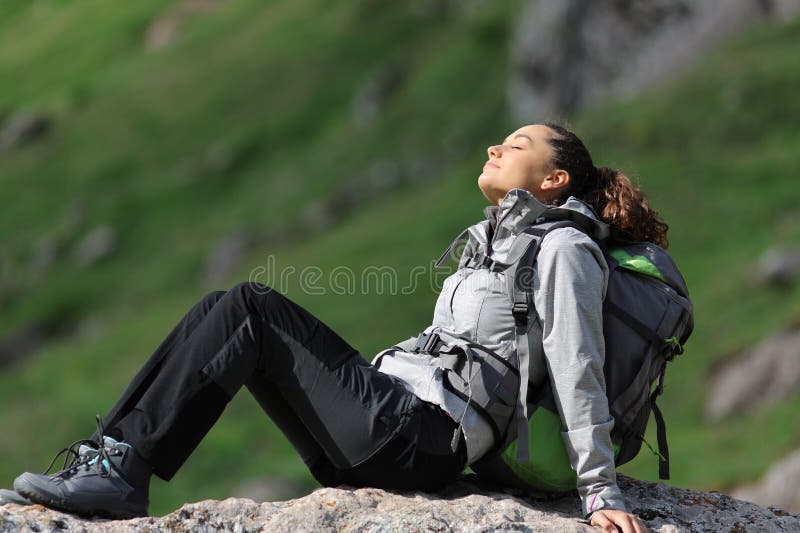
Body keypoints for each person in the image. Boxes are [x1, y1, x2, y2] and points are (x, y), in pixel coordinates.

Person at [10, 123, 658, 533]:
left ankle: (121, 471)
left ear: (554, 178)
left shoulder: (567, 250)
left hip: (420, 438)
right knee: (227, 309)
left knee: (249, 308)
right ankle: (114, 457)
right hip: (393, 423)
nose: (495, 146)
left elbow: (580, 364)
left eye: (517, 145)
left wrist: (598, 490)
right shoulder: (505, 240)